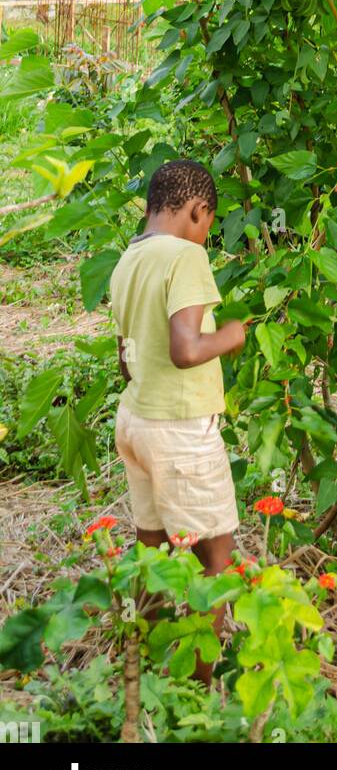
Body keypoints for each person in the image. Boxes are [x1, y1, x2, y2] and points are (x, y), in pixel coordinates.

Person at [110, 158, 246, 681]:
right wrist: (232, 334)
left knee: (152, 549)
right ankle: (196, 691)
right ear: (196, 210)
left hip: (137, 421)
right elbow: (186, 350)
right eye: (208, 225)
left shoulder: (128, 260)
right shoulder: (185, 258)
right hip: (181, 428)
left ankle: (138, 668)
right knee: (215, 556)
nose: (206, 237)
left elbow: (125, 358)